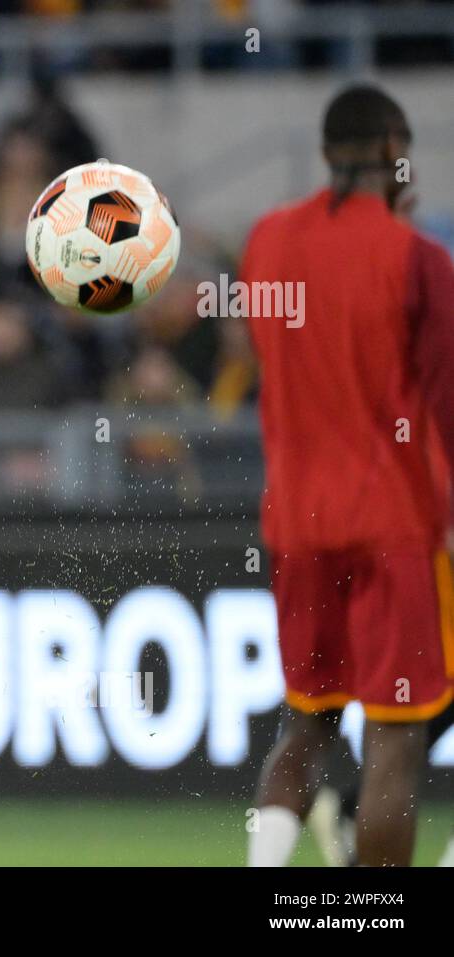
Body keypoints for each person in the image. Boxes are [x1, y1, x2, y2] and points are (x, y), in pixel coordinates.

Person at [244, 84, 454, 866]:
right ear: (394, 149)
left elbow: (265, 351)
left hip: (298, 523)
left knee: (306, 724)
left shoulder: (266, 240)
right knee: (395, 734)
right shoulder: (418, 259)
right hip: (393, 526)